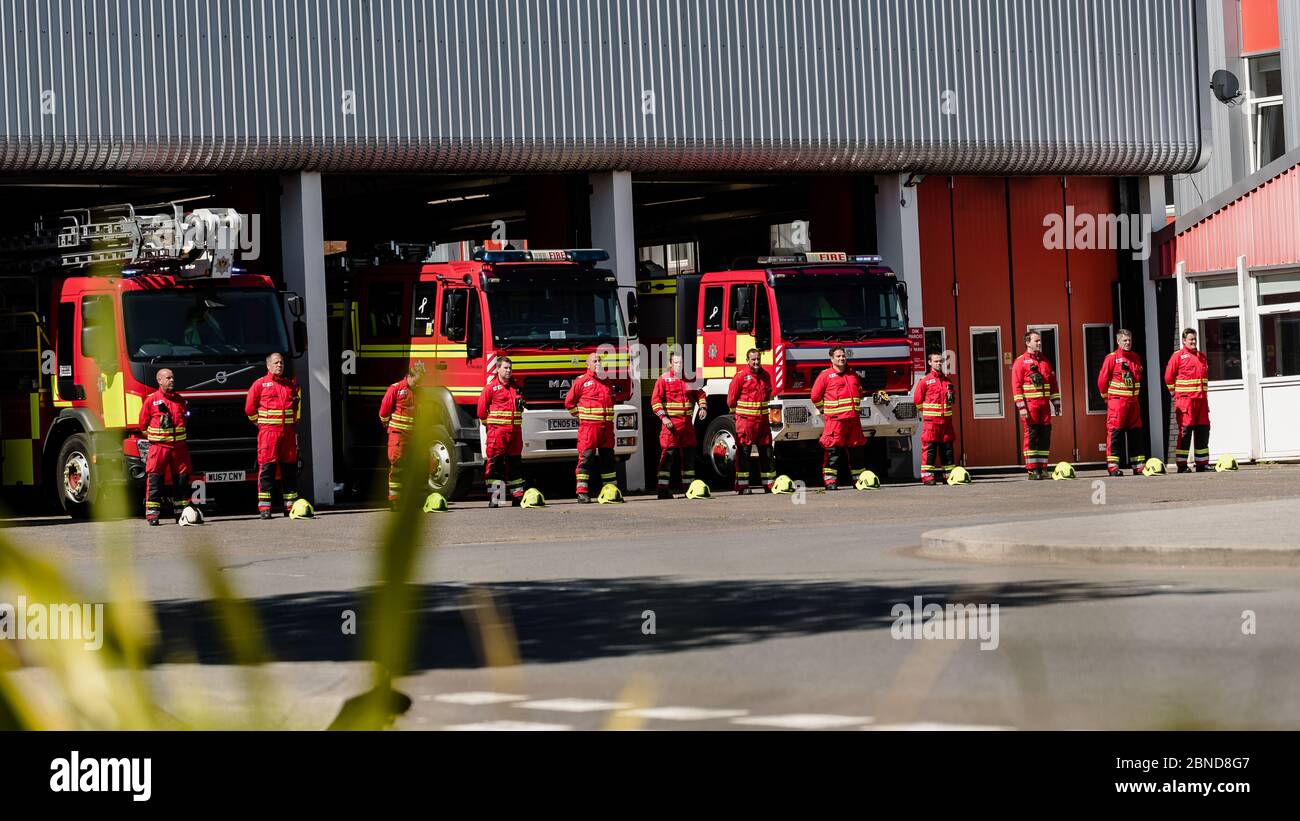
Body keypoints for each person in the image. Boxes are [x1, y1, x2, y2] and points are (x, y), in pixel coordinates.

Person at [564, 352, 630, 502]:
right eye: (594, 361)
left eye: (599, 360)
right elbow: (569, 402)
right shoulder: (582, 381)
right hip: (589, 429)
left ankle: (611, 491)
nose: (598, 363)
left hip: (607, 429)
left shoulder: (607, 381)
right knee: (586, 459)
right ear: (588, 365)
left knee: (608, 460)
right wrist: (579, 416)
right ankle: (582, 493)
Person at [245, 352, 302, 518]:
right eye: (276, 363)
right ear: (268, 365)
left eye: (281, 363)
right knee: (267, 470)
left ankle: (290, 507)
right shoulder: (260, 384)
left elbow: (296, 409)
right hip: (269, 433)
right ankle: (265, 508)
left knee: (289, 470)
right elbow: (249, 409)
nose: (279, 365)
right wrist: (261, 424)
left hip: (288, 433)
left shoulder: (289, 385)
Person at [139, 368, 194, 525]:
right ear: (159, 380)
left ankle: (181, 513)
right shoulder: (151, 400)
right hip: (159, 447)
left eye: (172, 378)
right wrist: (156, 439)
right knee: (155, 480)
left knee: (182, 481)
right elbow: (143, 425)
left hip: (179, 448)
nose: (172, 380)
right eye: (168, 378)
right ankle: (153, 515)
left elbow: (185, 419)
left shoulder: (180, 400)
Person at [810, 347, 867, 491]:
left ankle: (859, 480)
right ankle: (830, 481)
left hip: (853, 421)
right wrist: (824, 410)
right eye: (838, 356)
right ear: (831, 359)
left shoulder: (853, 374)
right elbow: (815, 396)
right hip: (835, 421)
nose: (842, 358)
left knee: (857, 452)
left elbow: (859, 393)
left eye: (843, 356)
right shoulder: (825, 375)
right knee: (833, 451)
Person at [650, 351, 705, 499]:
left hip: (687, 425)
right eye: (676, 363)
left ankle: (689, 488)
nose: (679, 365)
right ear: (670, 364)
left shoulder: (689, 379)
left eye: (681, 363)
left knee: (689, 456)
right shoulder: (663, 380)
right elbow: (655, 401)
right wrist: (664, 418)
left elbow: (700, 394)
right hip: (671, 425)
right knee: (667, 456)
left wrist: (703, 407)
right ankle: (662, 490)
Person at [477, 356, 528, 507]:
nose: (508, 371)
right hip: (498, 433)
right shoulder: (491, 388)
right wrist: (491, 427)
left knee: (515, 465)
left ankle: (517, 497)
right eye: (505, 368)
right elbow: (481, 412)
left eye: (510, 368)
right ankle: (496, 498)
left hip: (515, 433)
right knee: (495, 466)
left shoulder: (516, 387)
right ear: (498, 369)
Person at [1011, 331, 1060, 480]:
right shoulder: (1020, 362)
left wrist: (1056, 403)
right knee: (1032, 437)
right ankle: (1032, 470)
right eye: (1036, 341)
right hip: (1030, 407)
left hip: (1044, 407)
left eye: (1039, 341)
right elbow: (1016, 387)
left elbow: (1053, 383)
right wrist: (1022, 407)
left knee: (1045, 436)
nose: (1039, 343)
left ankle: (1042, 468)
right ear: (1028, 343)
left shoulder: (1045, 361)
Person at [1098, 329, 1146, 476]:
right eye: (1125, 340)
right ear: (1118, 342)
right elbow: (1102, 381)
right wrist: (1107, 398)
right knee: (1115, 434)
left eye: (1129, 340)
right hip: (1118, 403)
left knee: (1136, 434)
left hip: (1133, 403)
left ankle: (1138, 466)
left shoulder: (1135, 357)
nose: (1128, 342)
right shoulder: (1111, 358)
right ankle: (1113, 467)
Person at [727, 348, 776, 494]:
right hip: (746, 422)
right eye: (753, 359)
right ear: (747, 360)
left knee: (767, 452)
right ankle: (742, 486)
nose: (756, 362)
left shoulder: (765, 375)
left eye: (758, 359)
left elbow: (768, 394)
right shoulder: (740, 377)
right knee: (744, 453)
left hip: (762, 422)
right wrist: (740, 416)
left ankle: (769, 484)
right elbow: (731, 401)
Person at [379, 361, 425, 508]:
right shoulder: (396, 388)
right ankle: (395, 500)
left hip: (413, 436)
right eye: (417, 381)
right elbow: (384, 410)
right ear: (409, 376)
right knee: (398, 466)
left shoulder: (418, 391)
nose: (418, 384)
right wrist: (387, 423)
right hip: (398, 435)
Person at [1165, 327, 1211, 472]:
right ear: (1184, 340)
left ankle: (1202, 464)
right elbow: (1168, 377)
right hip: (1186, 401)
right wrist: (1174, 393)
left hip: (1201, 401)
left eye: (1195, 339)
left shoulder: (1201, 356)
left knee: (1203, 431)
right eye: (1191, 339)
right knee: (1185, 432)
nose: (1193, 341)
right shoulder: (1178, 356)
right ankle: (1182, 464)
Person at [912, 352, 957, 485]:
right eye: (936, 361)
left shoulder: (947, 381)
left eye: (940, 361)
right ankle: (927, 477)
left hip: (946, 423)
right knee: (929, 449)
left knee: (947, 450)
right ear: (930, 363)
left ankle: (948, 476)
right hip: (931, 423)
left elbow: (951, 400)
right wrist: (928, 414)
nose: (938, 363)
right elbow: (917, 401)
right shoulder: (925, 381)